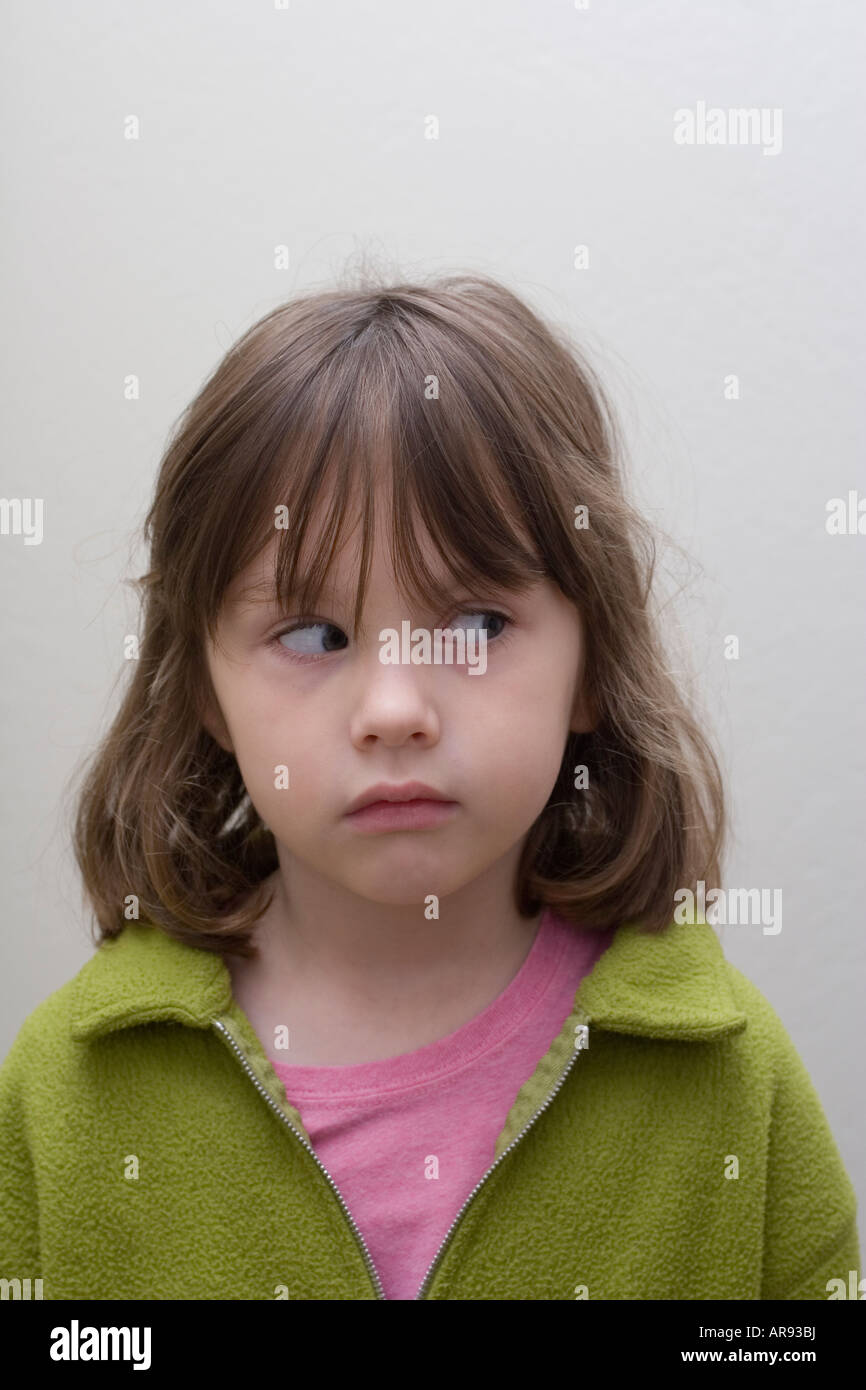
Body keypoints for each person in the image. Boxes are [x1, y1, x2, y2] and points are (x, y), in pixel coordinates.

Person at [0, 274, 858, 1300]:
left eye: (472, 626)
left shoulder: (725, 1076)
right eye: (313, 635)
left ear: (590, 662)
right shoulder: (71, 1087)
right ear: (207, 696)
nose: (394, 707)